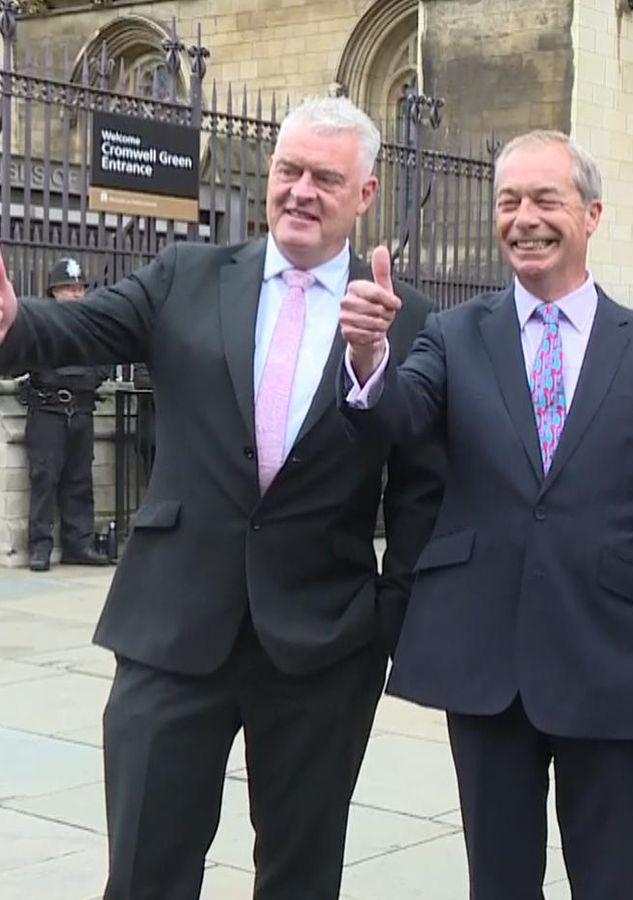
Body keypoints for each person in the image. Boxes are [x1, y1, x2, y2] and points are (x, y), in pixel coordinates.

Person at [0, 97, 442, 900]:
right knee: (144, 872)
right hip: (173, 628)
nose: (301, 191)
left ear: (366, 194)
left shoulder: (409, 321)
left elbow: (422, 486)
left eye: (326, 178)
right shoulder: (188, 277)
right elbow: (83, 330)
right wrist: (10, 325)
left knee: (301, 879)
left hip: (321, 644)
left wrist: (389, 619)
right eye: (288, 170)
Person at [338, 129, 633, 900]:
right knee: (499, 883)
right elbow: (403, 417)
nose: (524, 218)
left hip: (611, 666)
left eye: (546, 199)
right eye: (508, 201)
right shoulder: (452, 334)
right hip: (487, 664)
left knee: (612, 881)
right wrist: (371, 360)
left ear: (592, 213)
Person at [23, 256, 113, 570]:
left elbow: (104, 363)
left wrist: (83, 379)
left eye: (79, 288)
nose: (76, 294)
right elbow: (32, 363)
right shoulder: (41, 323)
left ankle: (79, 543)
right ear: (54, 292)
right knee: (45, 478)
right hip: (49, 409)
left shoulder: (91, 326)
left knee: (79, 480)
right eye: (68, 288)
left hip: (82, 409)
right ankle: (40, 547)